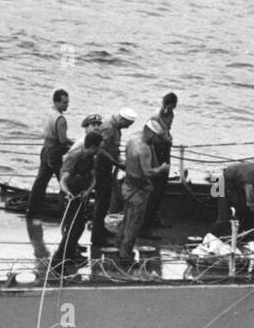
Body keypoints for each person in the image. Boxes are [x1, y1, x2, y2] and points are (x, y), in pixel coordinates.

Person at [49, 132, 117, 271]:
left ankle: (69, 256)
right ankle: (58, 260)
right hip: (70, 197)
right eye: (98, 148)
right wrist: (68, 193)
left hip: (81, 196)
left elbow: (93, 178)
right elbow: (63, 179)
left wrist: (88, 191)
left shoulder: (90, 158)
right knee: (72, 229)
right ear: (92, 146)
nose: (99, 151)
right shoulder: (74, 156)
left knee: (79, 227)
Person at [115, 122, 170, 264]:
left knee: (127, 218)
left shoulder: (133, 139)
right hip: (139, 189)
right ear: (150, 133)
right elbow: (148, 172)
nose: (156, 140)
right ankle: (125, 255)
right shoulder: (144, 148)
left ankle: (118, 245)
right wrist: (162, 169)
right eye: (156, 137)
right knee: (134, 223)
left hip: (127, 184)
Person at [89, 108, 137, 254]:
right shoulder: (109, 128)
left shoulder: (115, 128)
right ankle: (96, 236)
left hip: (108, 166)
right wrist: (117, 163)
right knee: (102, 200)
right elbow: (100, 150)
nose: (128, 127)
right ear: (122, 120)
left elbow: (112, 150)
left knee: (105, 200)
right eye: (128, 124)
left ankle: (100, 229)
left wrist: (119, 161)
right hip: (101, 167)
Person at [25, 89, 71, 222]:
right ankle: (63, 212)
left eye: (67, 102)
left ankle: (31, 210)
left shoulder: (49, 113)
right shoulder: (60, 119)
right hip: (56, 152)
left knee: (40, 181)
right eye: (64, 103)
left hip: (45, 149)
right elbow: (63, 140)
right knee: (64, 181)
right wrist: (75, 144)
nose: (67, 105)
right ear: (56, 102)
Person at [140, 92, 177, 235]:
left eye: (172, 107)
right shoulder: (155, 117)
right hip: (156, 148)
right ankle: (145, 224)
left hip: (165, 149)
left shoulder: (171, 114)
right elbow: (157, 134)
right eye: (167, 106)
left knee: (162, 185)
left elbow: (167, 131)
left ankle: (154, 216)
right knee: (155, 185)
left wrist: (169, 138)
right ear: (164, 104)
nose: (169, 109)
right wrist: (166, 139)